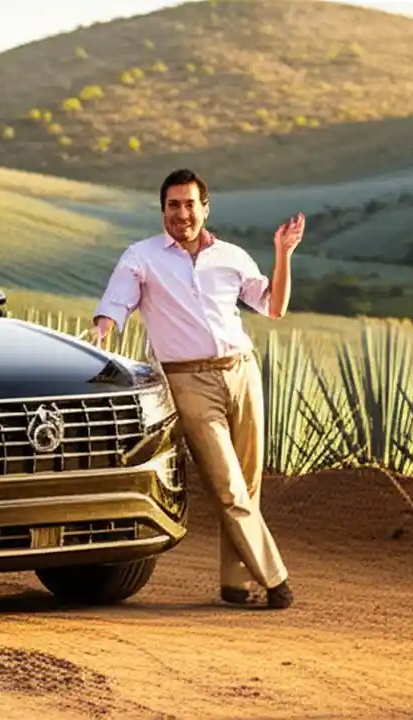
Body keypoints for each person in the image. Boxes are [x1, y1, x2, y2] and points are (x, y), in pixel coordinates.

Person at [91, 168, 303, 609]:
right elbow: (117, 298)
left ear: (205, 208)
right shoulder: (142, 257)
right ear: (162, 210)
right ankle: (274, 578)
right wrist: (104, 326)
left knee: (248, 485)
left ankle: (234, 583)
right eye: (173, 205)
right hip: (187, 381)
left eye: (190, 204)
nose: (182, 214)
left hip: (242, 372)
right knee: (227, 485)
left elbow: (274, 307)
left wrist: (283, 254)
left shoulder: (232, 256)